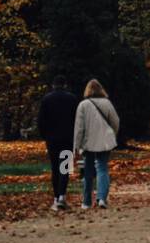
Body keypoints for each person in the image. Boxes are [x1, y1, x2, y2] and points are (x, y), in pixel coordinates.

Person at [73, 79, 119, 210]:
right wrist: (112, 134)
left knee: (87, 172)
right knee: (102, 168)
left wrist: (76, 146)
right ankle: (102, 198)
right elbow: (115, 121)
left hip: (88, 142)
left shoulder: (83, 105)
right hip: (104, 141)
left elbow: (79, 128)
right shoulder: (107, 103)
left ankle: (86, 201)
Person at [38, 76, 79, 211]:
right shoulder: (72, 99)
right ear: (65, 84)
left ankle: (56, 197)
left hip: (52, 139)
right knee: (65, 168)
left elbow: (41, 121)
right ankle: (62, 196)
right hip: (68, 139)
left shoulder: (46, 99)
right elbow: (77, 120)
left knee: (55, 168)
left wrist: (45, 135)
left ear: (53, 85)